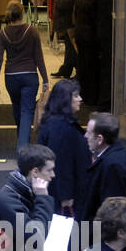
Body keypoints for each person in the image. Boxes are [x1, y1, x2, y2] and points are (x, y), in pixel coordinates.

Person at [78, 112, 126, 251]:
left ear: (99, 139)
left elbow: (111, 212)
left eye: (89, 132)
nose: (85, 136)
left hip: (110, 245)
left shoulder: (111, 165)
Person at [0, 1, 48, 149]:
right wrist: (45, 79)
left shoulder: (3, 33)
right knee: (27, 110)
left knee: (17, 109)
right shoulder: (32, 31)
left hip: (11, 77)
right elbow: (39, 57)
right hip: (30, 76)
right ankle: (23, 147)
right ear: (22, 13)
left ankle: (22, 139)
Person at [35, 79, 89, 216]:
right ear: (65, 99)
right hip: (63, 196)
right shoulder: (62, 127)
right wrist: (65, 195)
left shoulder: (56, 122)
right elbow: (61, 164)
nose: (80, 99)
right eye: (76, 95)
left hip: (58, 191)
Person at [52, 0, 83, 79]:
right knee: (70, 45)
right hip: (76, 17)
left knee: (72, 45)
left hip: (70, 17)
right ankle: (66, 68)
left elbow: (68, 0)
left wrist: (58, 3)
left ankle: (75, 70)